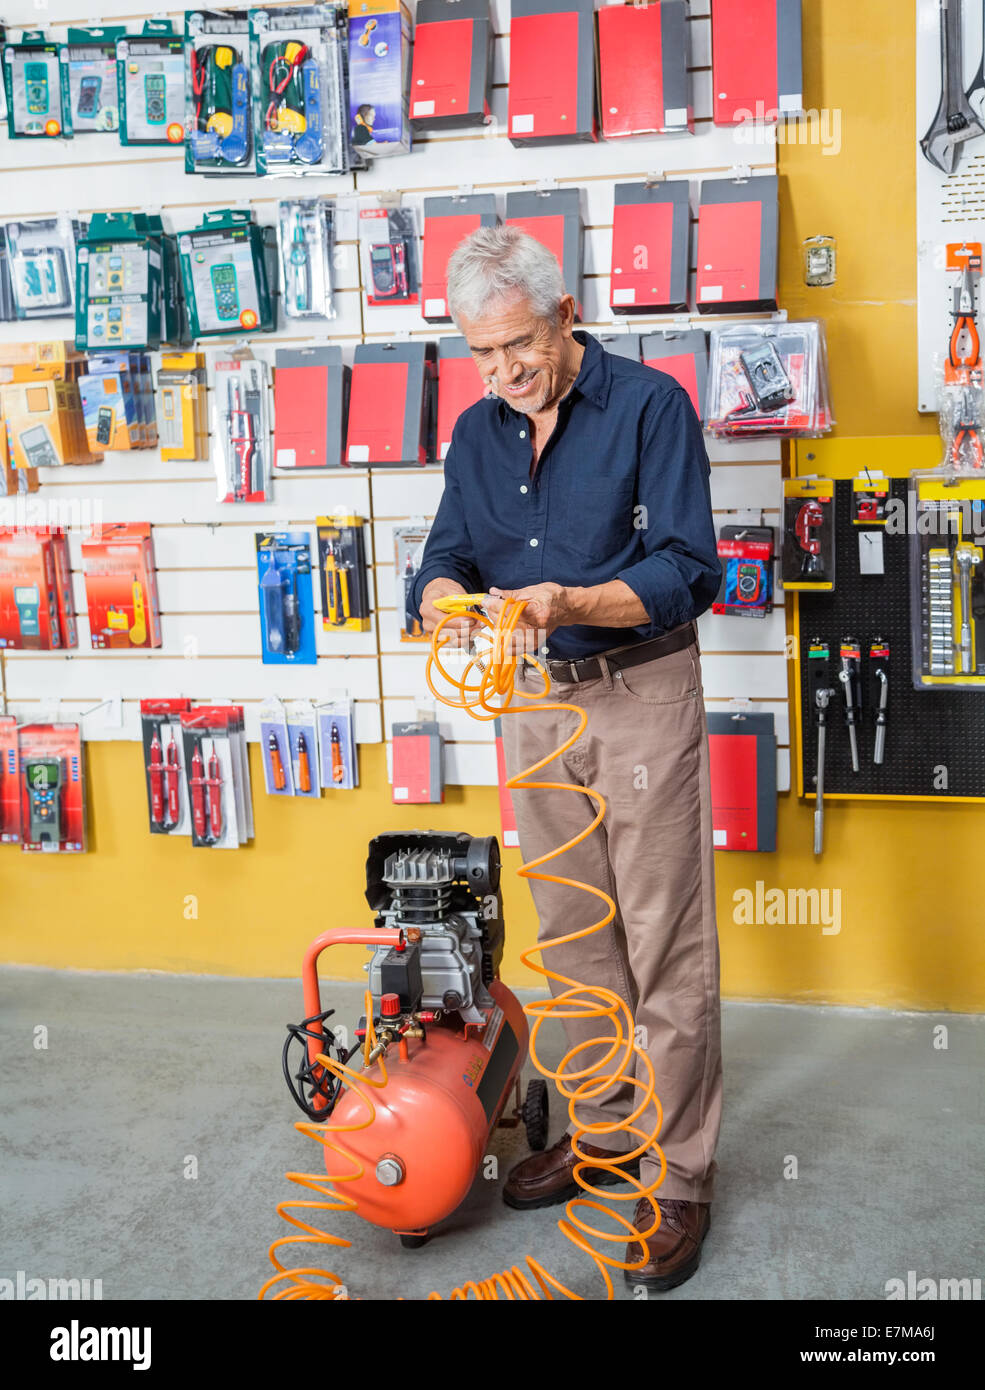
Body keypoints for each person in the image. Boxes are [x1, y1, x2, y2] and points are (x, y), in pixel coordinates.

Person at [406, 226, 723, 1292]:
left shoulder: (651, 407)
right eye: (480, 354)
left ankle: (679, 1178)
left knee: (663, 944)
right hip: (532, 707)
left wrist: (573, 601)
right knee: (574, 938)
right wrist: (443, 601)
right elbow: (446, 553)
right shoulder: (474, 433)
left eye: (517, 347)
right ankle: (606, 1138)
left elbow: (689, 568)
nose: (501, 373)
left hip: (639, 693)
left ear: (565, 313)